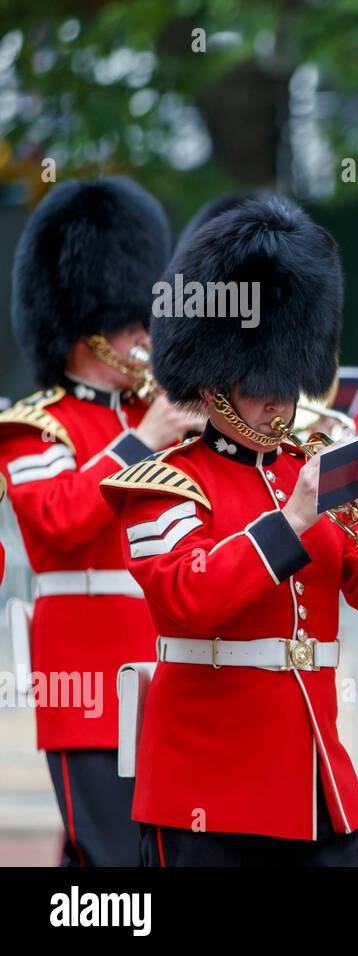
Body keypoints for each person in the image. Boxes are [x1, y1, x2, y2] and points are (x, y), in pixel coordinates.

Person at [99, 197, 358, 866]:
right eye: (261, 382)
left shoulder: (306, 470)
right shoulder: (162, 483)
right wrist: (293, 521)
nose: (280, 399)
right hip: (207, 795)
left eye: (288, 378)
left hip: (317, 780)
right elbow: (188, 601)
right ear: (217, 381)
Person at [1, 177, 201, 866]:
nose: (147, 336)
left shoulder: (157, 418)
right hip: (84, 675)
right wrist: (142, 440)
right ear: (89, 328)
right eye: (131, 322)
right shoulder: (33, 426)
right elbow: (57, 519)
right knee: (113, 854)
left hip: (165, 671)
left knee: (125, 857)